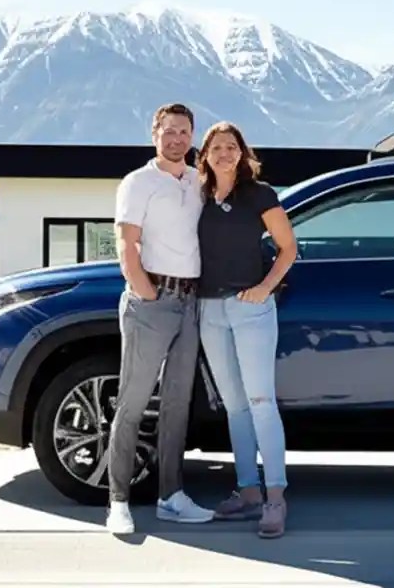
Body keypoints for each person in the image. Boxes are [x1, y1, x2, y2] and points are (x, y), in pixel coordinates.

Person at [106, 102, 216, 535]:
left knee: (177, 405)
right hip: (151, 302)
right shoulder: (138, 182)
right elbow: (126, 243)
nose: (176, 139)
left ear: (193, 137)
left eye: (184, 132)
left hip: (191, 304)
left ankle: (171, 496)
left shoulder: (197, 182)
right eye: (168, 131)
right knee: (132, 403)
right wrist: (146, 292)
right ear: (155, 133)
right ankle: (118, 502)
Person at [194, 120, 298, 539]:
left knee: (259, 401)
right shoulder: (195, 196)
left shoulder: (260, 194)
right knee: (233, 405)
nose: (224, 153)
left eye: (231, 146)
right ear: (205, 155)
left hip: (250, 309)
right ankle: (248, 491)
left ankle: (275, 498)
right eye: (216, 147)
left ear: (242, 152)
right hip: (208, 309)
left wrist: (264, 288)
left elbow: (288, 248)